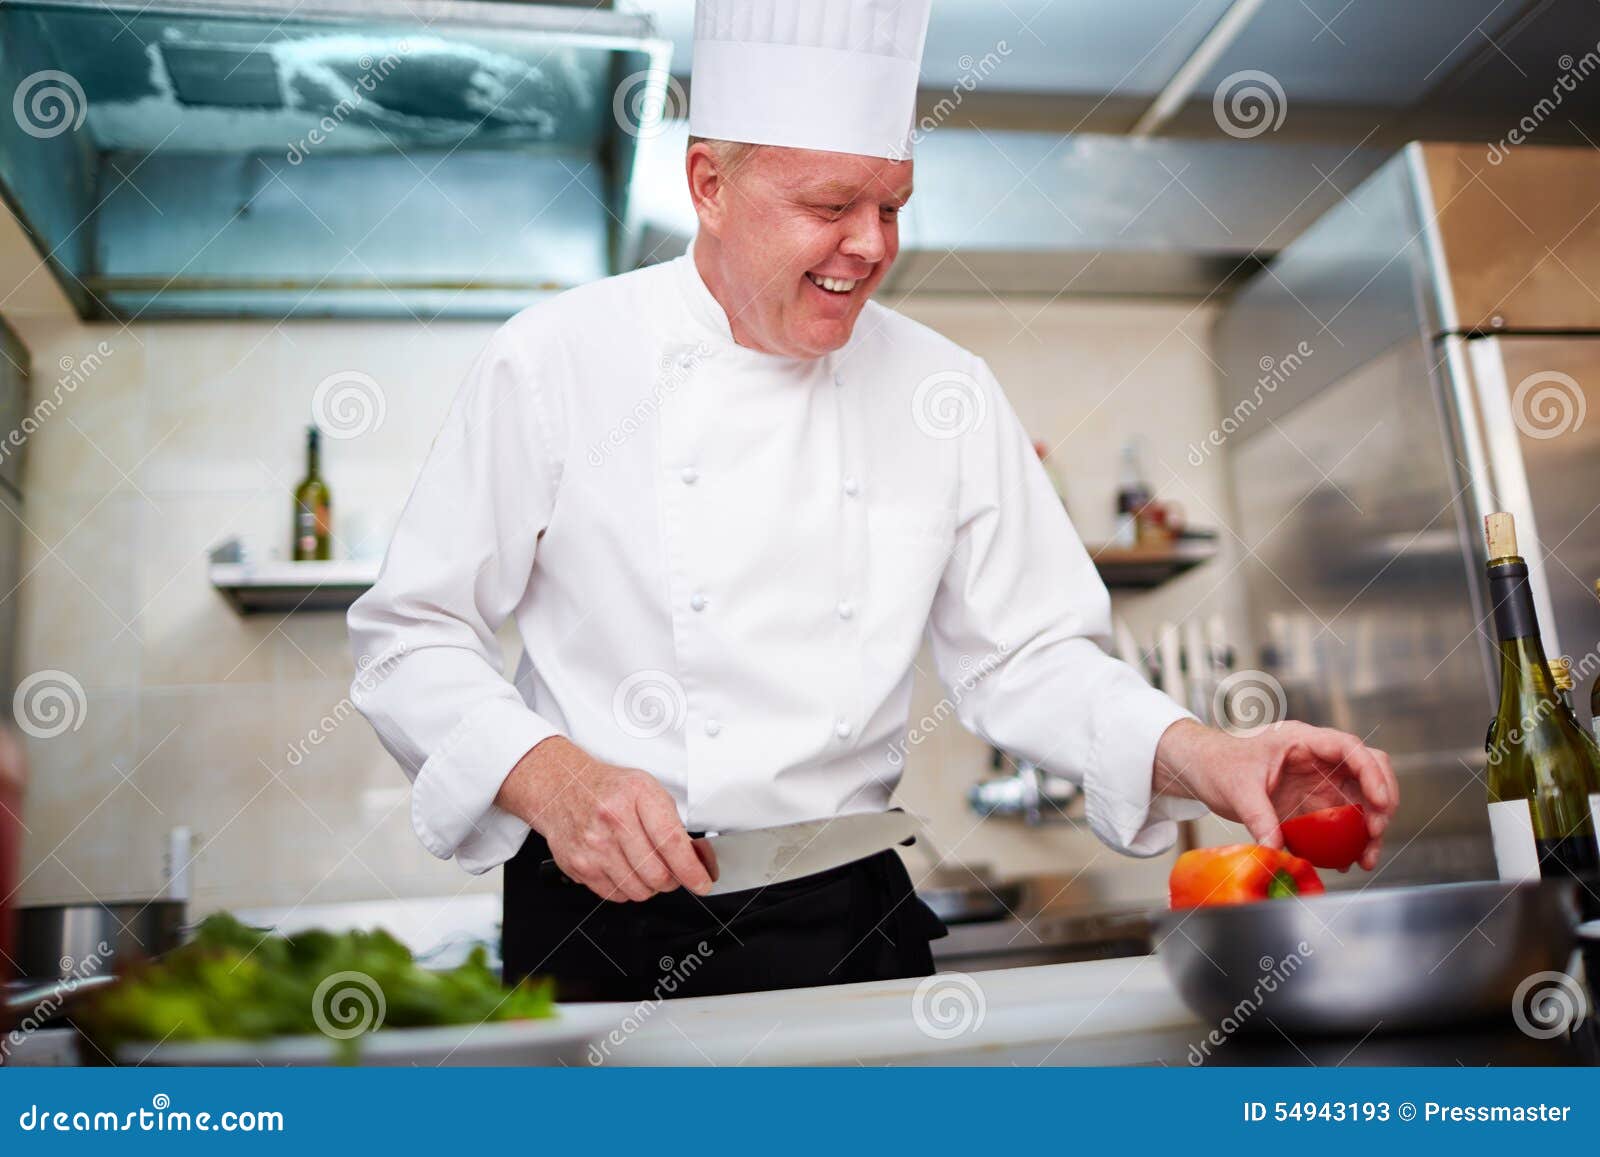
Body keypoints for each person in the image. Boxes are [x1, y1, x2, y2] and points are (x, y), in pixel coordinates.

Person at [348, 0, 1397, 1001]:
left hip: (846, 921)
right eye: (828, 206)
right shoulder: (554, 360)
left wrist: (1209, 754)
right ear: (707, 182)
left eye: (891, 204)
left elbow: (1030, 658)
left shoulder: (945, 388)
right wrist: (547, 774)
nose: (871, 245)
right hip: (597, 924)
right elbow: (408, 634)